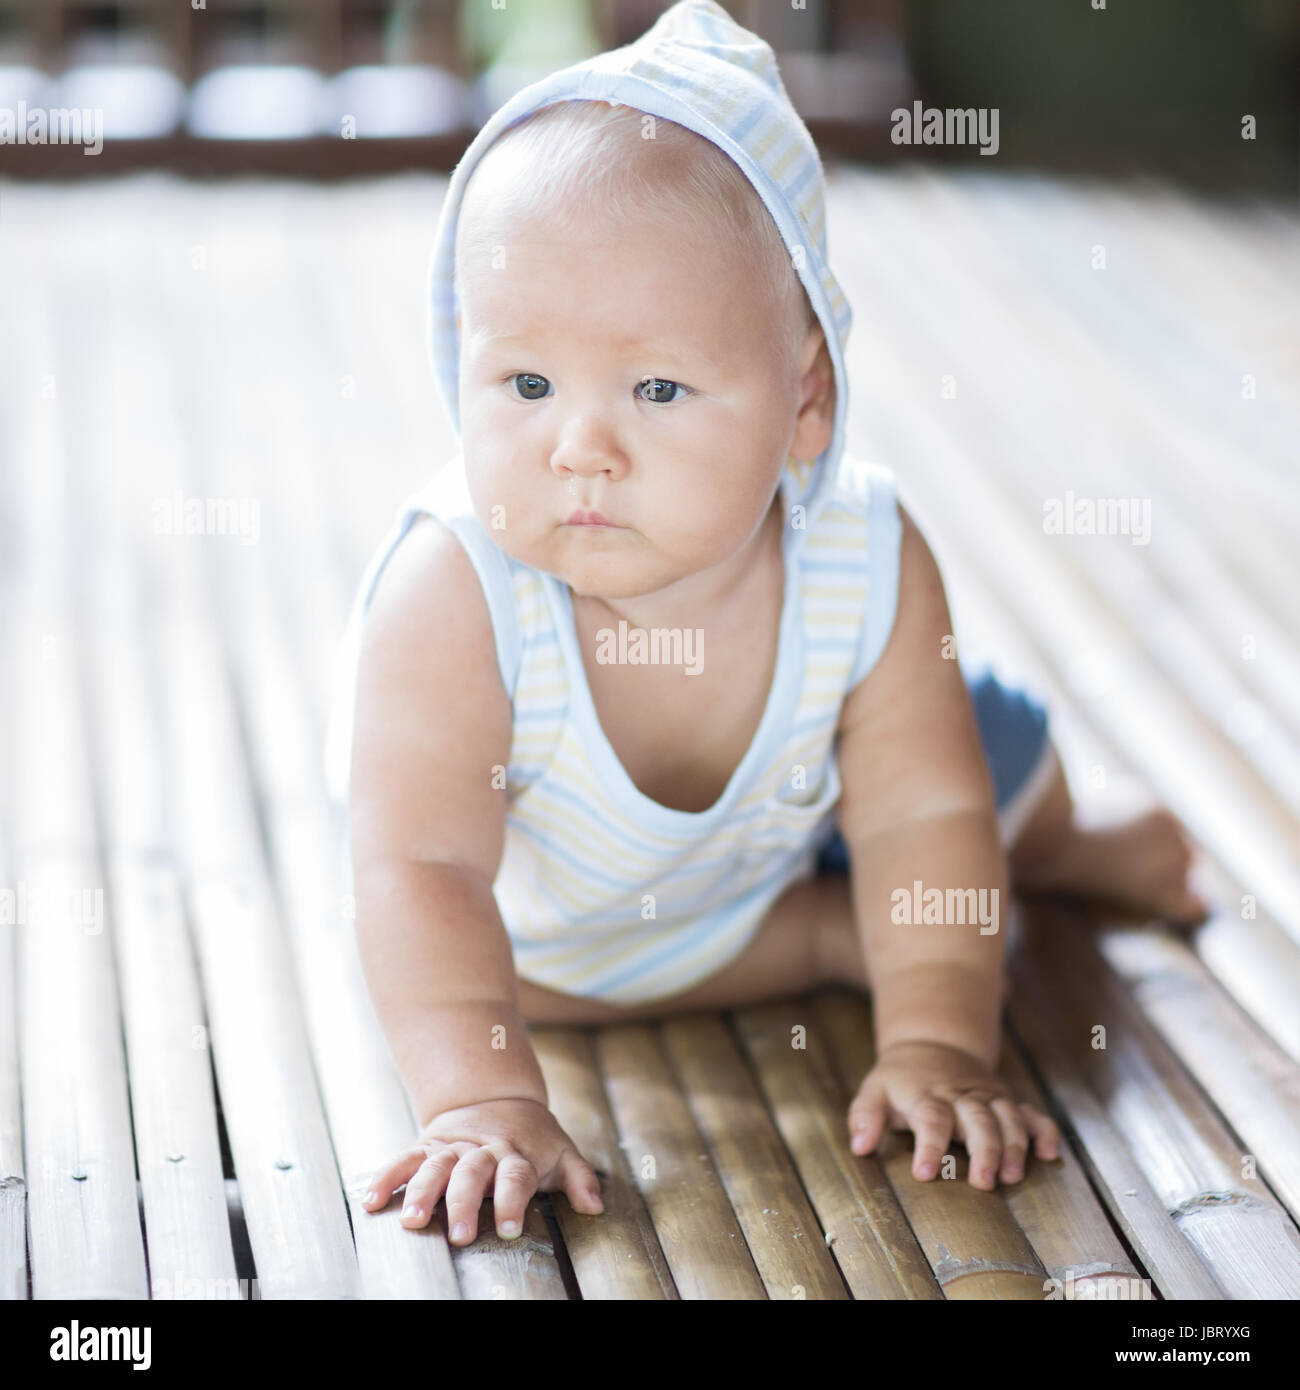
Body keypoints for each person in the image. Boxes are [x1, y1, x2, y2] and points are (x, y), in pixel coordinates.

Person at [325, 0, 1208, 1248]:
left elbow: (919, 814)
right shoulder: (456, 592)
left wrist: (939, 1041)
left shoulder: (861, 552)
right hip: (559, 955)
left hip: (771, 854)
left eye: (658, 388)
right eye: (524, 383)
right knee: (798, 926)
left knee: (973, 750)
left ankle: (1066, 838)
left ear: (804, 400)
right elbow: (420, 868)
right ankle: (874, 933)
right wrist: (479, 1098)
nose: (579, 446)